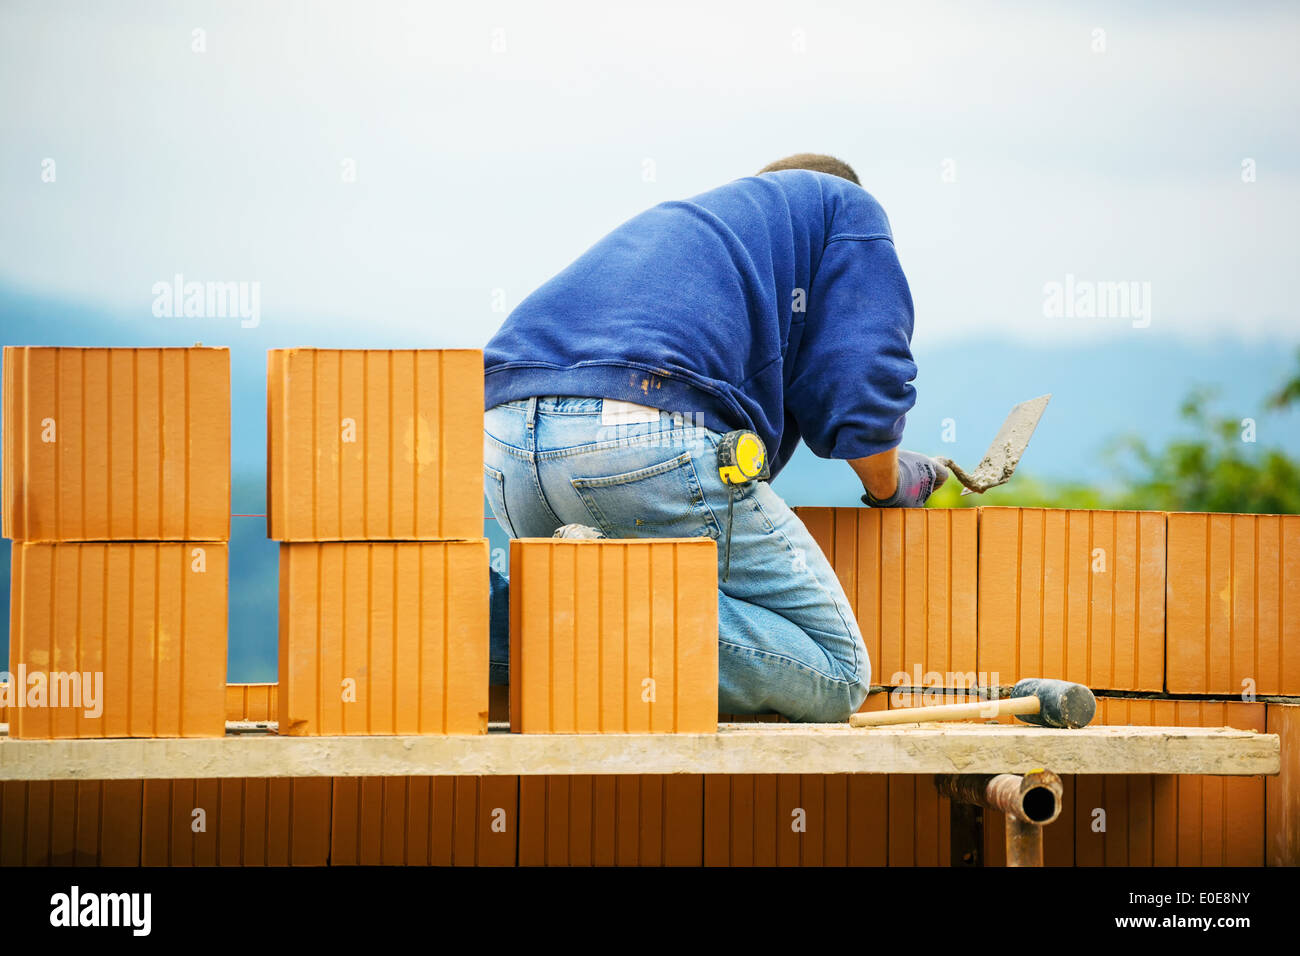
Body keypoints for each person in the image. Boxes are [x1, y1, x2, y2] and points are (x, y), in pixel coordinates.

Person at [481, 153, 949, 722]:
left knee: (551, 616)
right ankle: (599, 604)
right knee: (836, 672)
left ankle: (472, 614)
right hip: (639, 438)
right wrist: (891, 482)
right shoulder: (843, 204)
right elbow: (860, 374)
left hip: (503, 440)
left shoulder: (702, 228)